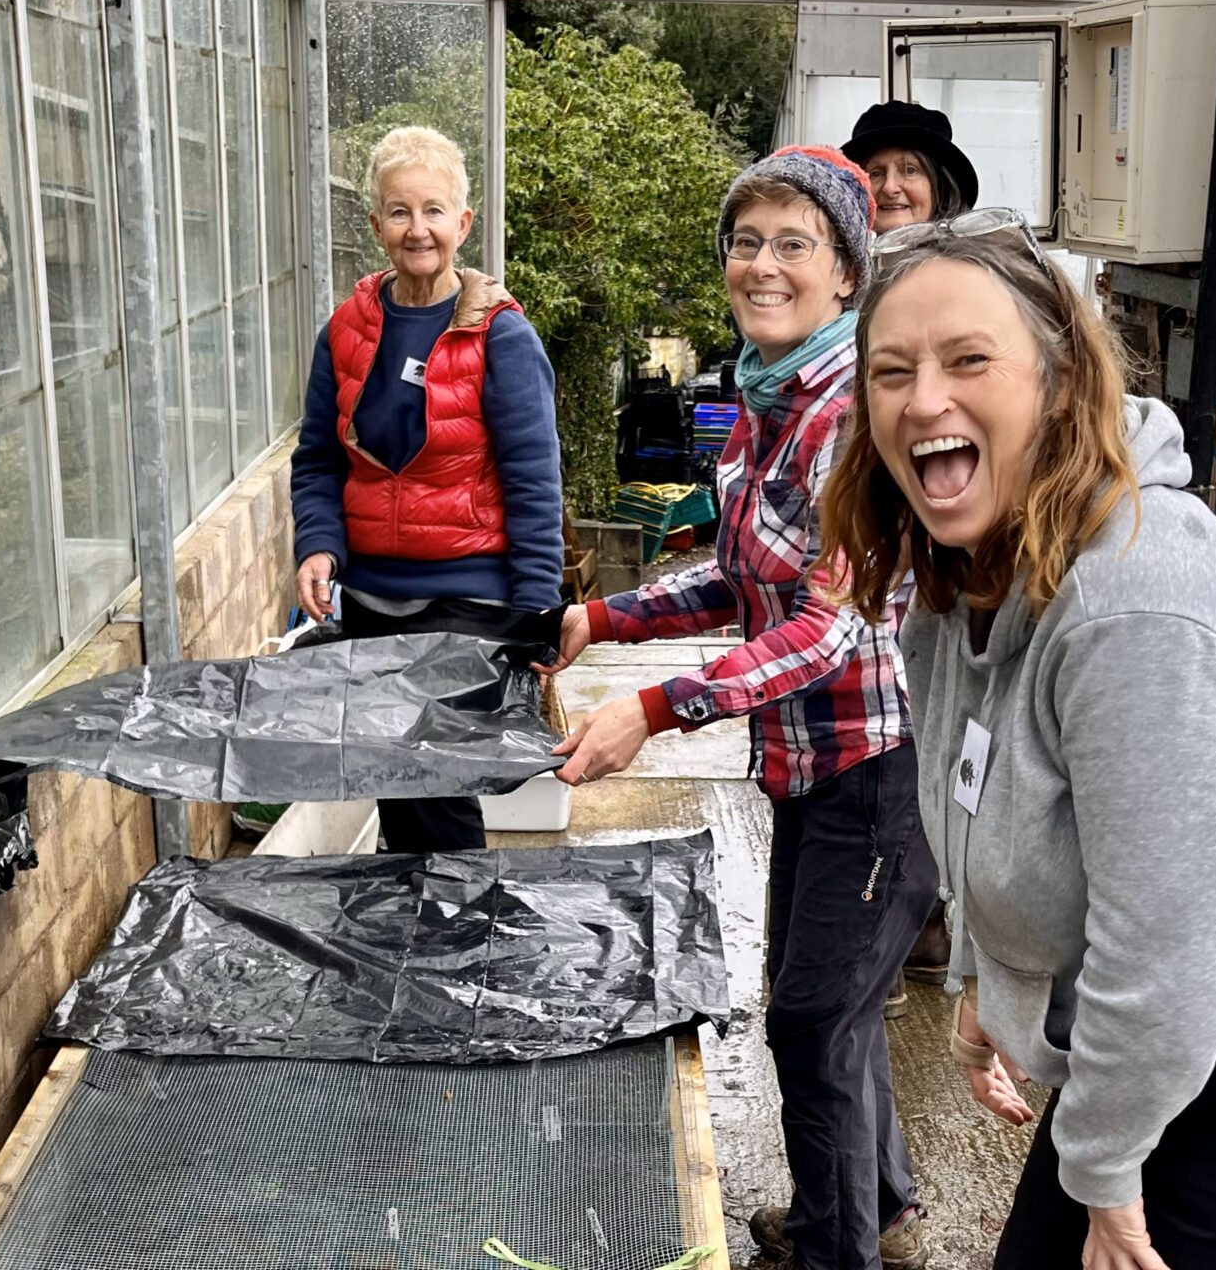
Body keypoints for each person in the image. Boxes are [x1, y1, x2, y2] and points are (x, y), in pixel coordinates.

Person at [817, 213, 1216, 1270]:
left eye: (969, 360)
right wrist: (992, 984)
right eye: (892, 372)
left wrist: (1109, 1177)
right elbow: (974, 797)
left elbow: (1169, 945)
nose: (924, 399)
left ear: (1061, 382)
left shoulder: (1139, 610)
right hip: (1192, 1023)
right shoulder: (962, 573)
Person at [539, 146, 937, 1270]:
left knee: (814, 1020)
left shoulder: (850, 414)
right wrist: (603, 620)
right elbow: (739, 578)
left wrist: (658, 709)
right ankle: (876, 1208)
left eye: (793, 244)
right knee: (829, 1007)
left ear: (848, 271)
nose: (762, 265)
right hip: (809, 762)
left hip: (880, 764)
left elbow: (831, 627)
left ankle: (836, 1249)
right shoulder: (769, 396)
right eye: (746, 242)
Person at [285, 125, 564, 853]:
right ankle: (422, 914)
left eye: (434, 211)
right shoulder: (346, 331)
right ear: (375, 224)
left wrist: (537, 614)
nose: (418, 230)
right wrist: (319, 546)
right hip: (372, 598)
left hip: (467, 597)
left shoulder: (501, 337)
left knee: (436, 788)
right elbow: (318, 459)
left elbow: (535, 483)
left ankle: (453, 915)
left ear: (462, 224)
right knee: (395, 780)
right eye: (400, 211)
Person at [840, 99, 981, 1003]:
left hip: (943, 534)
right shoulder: (845, 278)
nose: (892, 186)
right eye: (877, 171)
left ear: (940, 189)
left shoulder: (967, 281)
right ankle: (898, 929)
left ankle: (917, 927)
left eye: (910, 172)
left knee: (929, 728)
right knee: (879, 732)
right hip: (869, 530)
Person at [841, 101, 978, 236]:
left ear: (941, 187)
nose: (890, 188)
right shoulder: (832, 249)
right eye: (875, 174)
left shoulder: (972, 251)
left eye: (910, 171)